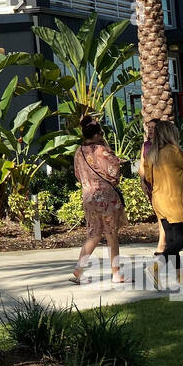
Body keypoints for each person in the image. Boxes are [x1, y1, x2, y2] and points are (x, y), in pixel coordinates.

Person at [140, 120, 183, 289]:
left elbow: (148, 177)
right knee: (180, 241)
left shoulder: (151, 153)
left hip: (159, 200)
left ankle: (181, 277)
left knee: (172, 240)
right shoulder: (173, 151)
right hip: (174, 201)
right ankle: (155, 267)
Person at [70, 117, 126, 285]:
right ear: (95, 135)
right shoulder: (102, 150)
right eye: (100, 133)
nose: (102, 135)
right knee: (111, 235)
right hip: (105, 197)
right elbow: (114, 169)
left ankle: (79, 270)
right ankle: (116, 274)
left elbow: (78, 175)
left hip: (88, 196)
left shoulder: (78, 151)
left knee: (93, 234)